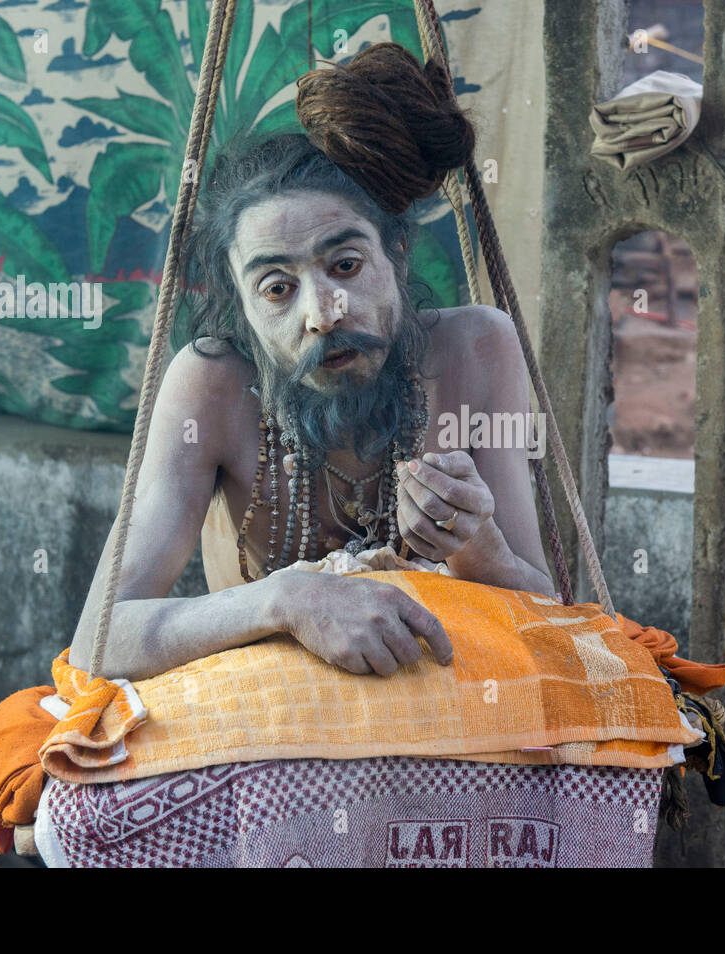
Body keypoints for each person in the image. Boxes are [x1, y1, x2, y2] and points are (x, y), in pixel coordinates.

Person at [68, 44, 553, 682]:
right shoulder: (211, 385)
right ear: (242, 310)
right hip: (270, 736)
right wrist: (289, 600)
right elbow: (100, 641)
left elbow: (551, 616)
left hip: (451, 719)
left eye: (345, 266)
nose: (322, 312)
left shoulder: (477, 350)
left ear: (398, 256)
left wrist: (479, 550)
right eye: (277, 288)